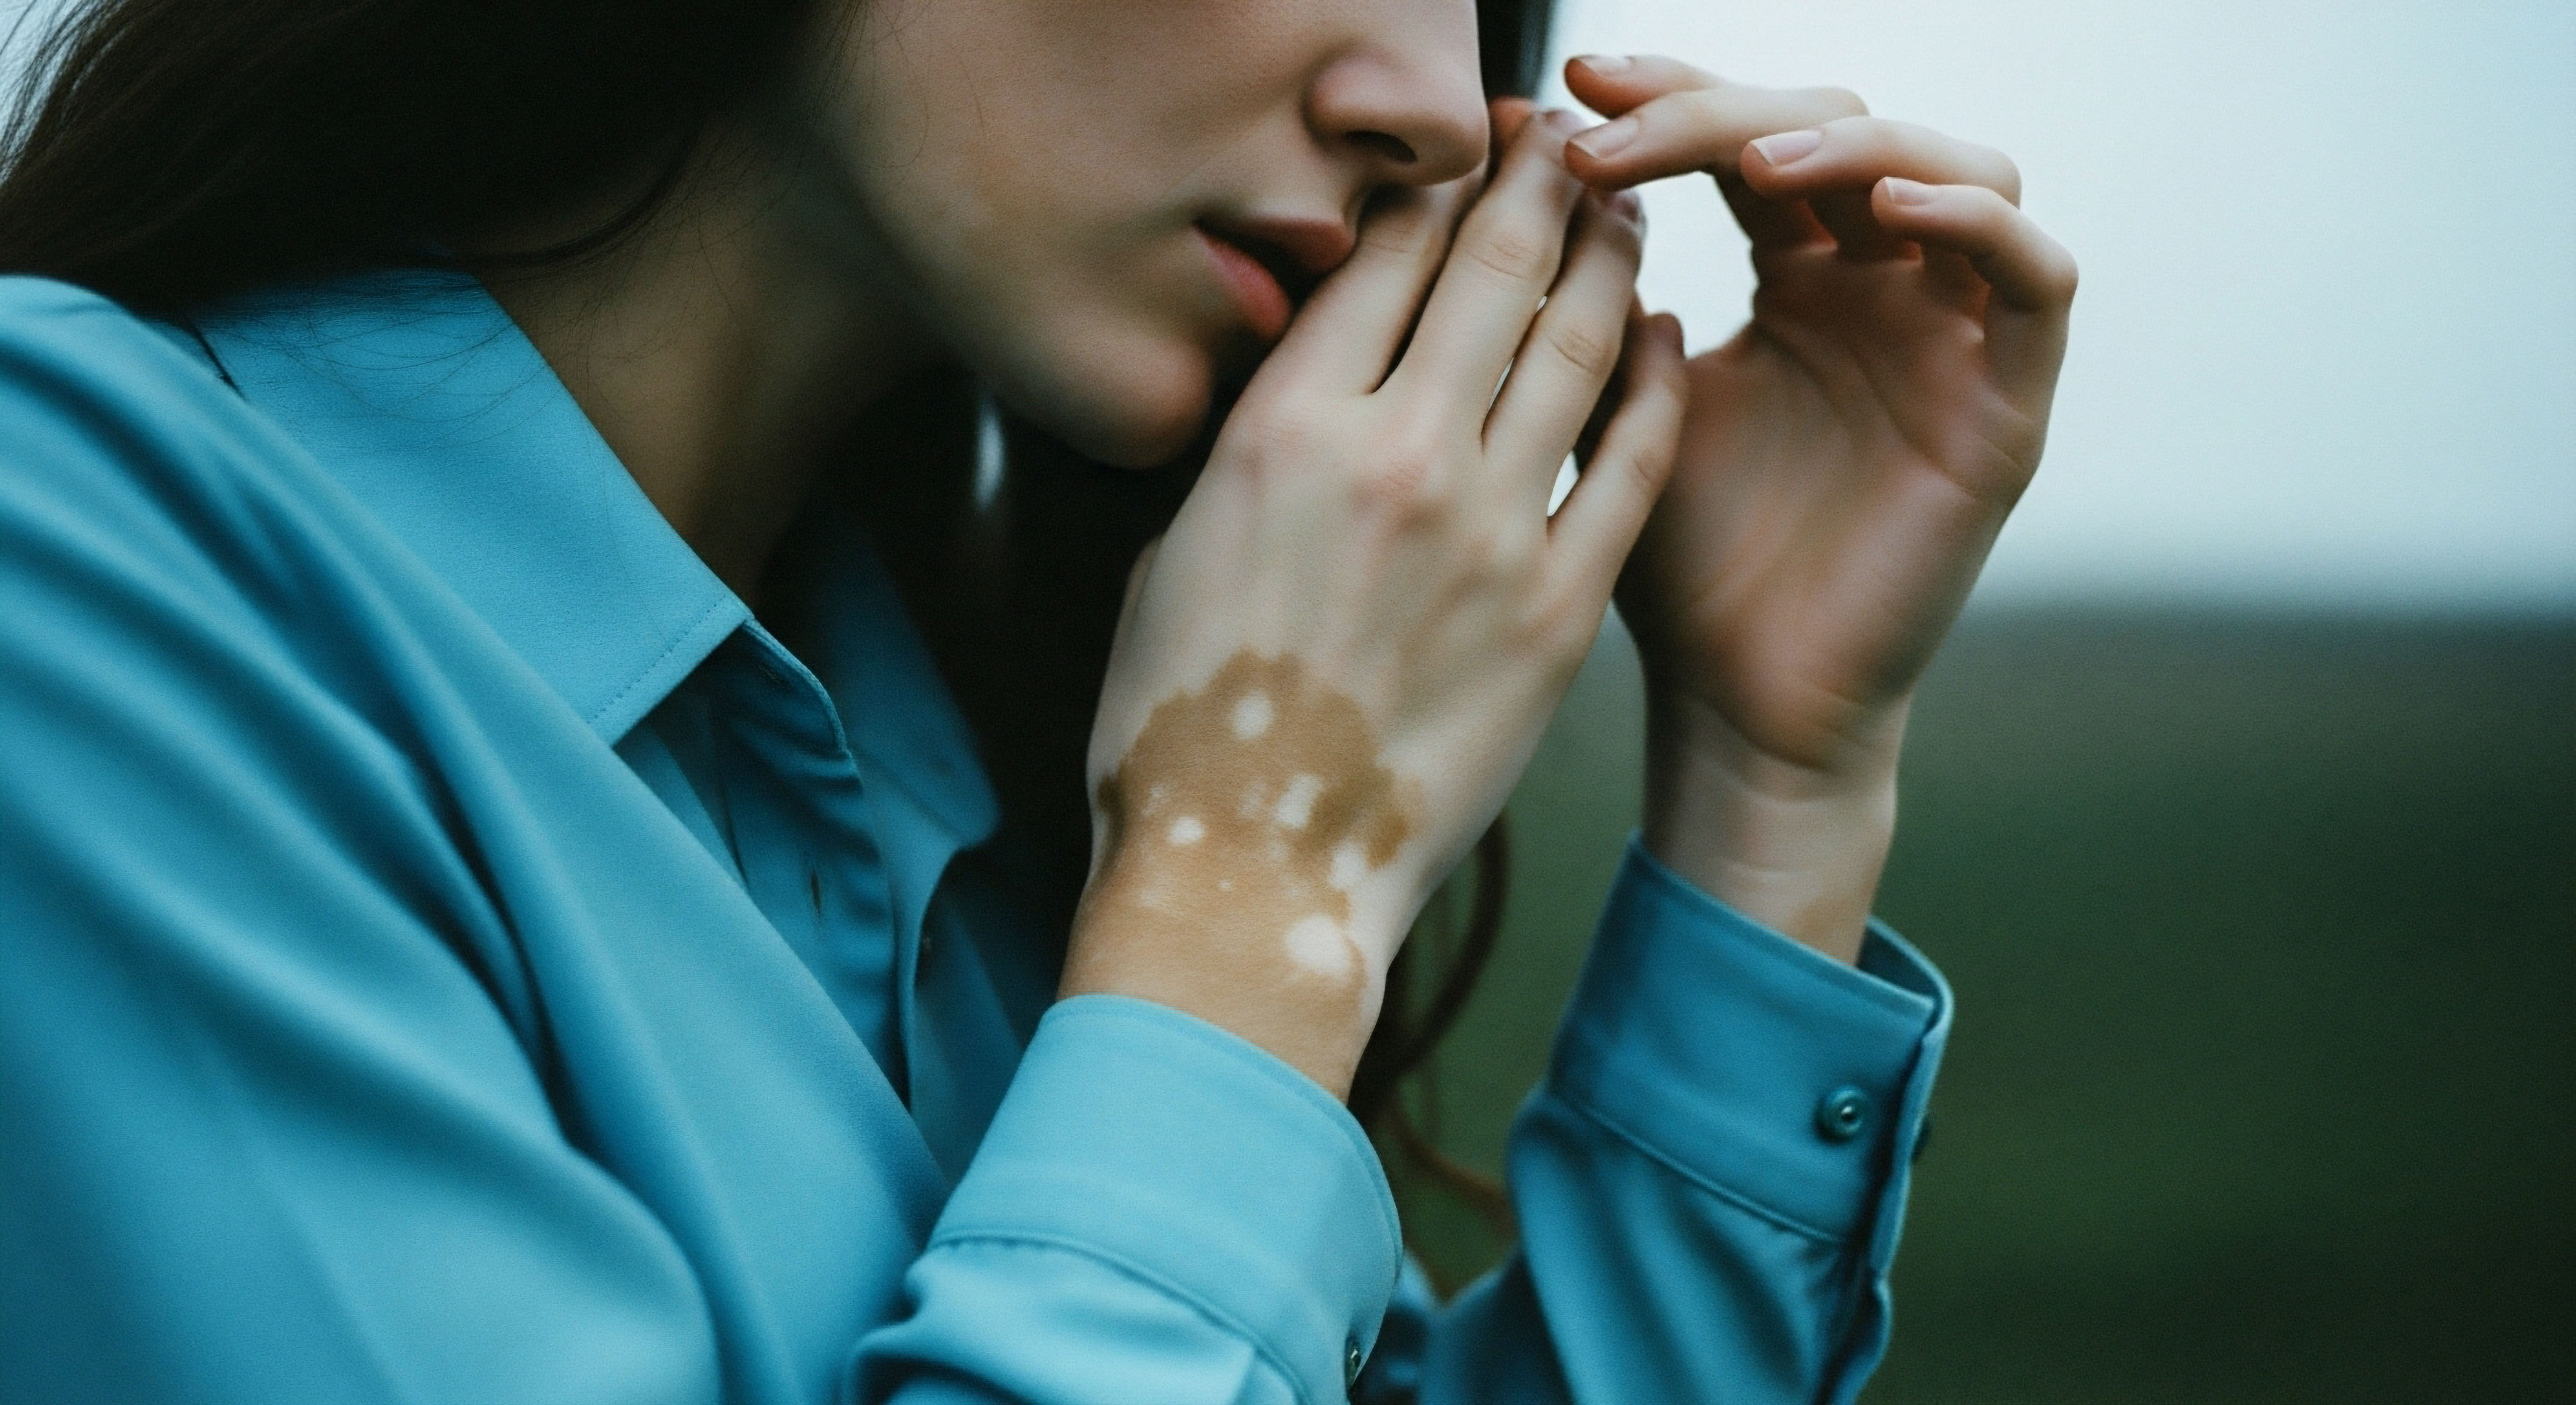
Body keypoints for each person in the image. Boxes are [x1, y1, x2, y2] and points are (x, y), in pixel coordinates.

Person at [0, 0, 2075, 1400]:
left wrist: (1774, 784)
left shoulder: (964, 777)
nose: (1440, 97)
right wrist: (1250, 887)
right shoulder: (61, 546)